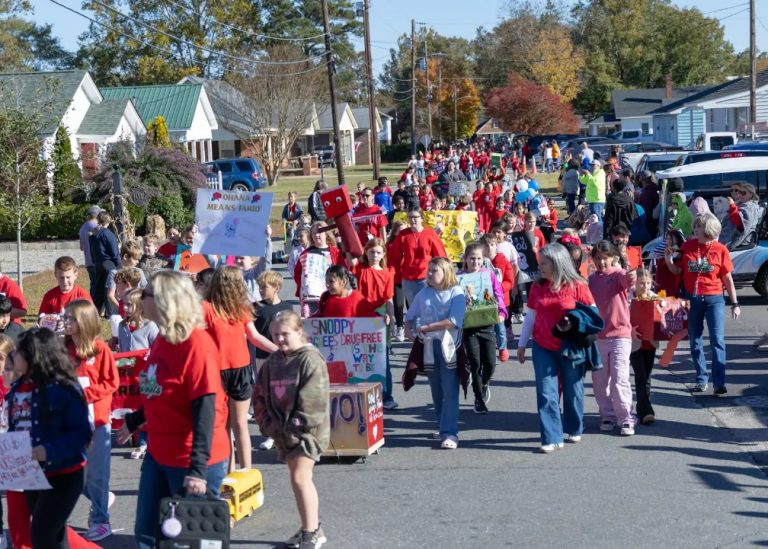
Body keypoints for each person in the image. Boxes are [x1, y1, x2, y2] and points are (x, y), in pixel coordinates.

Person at [117, 271, 231, 549]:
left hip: (190, 458)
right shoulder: (163, 339)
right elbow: (160, 392)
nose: (140, 298)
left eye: (146, 294)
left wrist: (198, 469)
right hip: (159, 453)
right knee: (146, 531)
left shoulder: (196, 345)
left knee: (190, 541)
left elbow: (205, 411)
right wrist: (135, 420)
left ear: (164, 301)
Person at [6, 328, 92, 549]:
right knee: (55, 537)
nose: (13, 355)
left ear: (34, 356)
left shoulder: (63, 389)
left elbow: (82, 434)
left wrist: (49, 450)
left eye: (19, 351)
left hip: (65, 474)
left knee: (41, 536)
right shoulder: (17, 387)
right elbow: (16, 428)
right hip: (32, 475)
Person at [253, 311, 330, 549]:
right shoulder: (273, 362)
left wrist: (292, 430)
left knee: (300, 477)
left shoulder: (310, 360)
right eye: (275, 334)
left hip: (307, 433)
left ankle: (311, 532)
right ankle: (310, 524)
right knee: (298, 480)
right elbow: (259, 396)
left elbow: (313, 402)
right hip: (281, 433)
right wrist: (267, 425)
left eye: (285, 334)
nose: (279, 339)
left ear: (299, 332)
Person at [516, 244, 596, 453]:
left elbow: (593, 313)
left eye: (544, 263)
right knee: (546, 391)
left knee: (573, 390)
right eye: (540, 262)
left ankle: (574, 426)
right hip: (542, 345)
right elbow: (531, 315)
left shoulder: (577, 285)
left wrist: (575, 320)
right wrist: (522, 344)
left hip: (570, 346)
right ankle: (551, 436)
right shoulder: (537, 286)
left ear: (557, 263)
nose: (539, 266)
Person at [203, 266, 278, 472]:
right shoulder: (206, 308)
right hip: (216, 372)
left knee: (239, 424)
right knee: (224, 426)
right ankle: (229, 472)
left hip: (240, 370)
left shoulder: (241, 308)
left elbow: (255, 337)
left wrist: (280, 350)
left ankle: (246, 472)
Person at [665, 213, 740, 394]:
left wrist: (735, 303)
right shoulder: (687, 246)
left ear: (708, 229)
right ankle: (701, 378)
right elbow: (677, 271)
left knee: (717, 340)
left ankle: (719, 383)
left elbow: (727, 278)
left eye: (699, 226)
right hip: (692, 299)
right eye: (695, 226)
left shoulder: (721, 249)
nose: (695, 229)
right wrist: (668, 260)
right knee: (695, 339)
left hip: (714, 299)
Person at [63, 300, 119, 541]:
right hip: (70, 423)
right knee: (72, 473)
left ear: (84, 321)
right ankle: (101, 498)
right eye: (65, 317)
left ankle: (101, 519)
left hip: (97, 423)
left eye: (70, 318)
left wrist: (84, 393)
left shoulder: (100, 349)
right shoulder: (64, 349)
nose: (65, 322)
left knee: (97, 475)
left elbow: (111, 382)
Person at [404, 257, 466, 449]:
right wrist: (408, 330)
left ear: (446, 273)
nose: (429, 274)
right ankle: (441, 426)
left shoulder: (456, 292)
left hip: (450, 348)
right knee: (436, 390)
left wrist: (427, 327)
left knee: (450, 390)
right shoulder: (424, 293)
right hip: (429, 348)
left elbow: (454, 321)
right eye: (428, 270)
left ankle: (450, 432)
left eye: (434, 271)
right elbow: (409, 316)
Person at [588, 241, 637, 436]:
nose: (602, 262)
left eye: (605, 258)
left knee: (619, 378)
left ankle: (625, 418)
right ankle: (607, 415)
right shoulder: (591, 280)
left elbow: (629, 279)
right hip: (599, 337)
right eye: (598, 258)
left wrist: (630, 272)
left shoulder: (617, 274)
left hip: (620, 336)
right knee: (600, 381)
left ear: (612, 258)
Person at [459, 241, 507, 414]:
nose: (476, 262)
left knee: (491, 364)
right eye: (472, 258)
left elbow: (498, 294)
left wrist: (501, 312)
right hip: (469, 326)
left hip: (487, 323)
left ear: (484, 259)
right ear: (466, 259)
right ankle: (478, 399)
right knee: (475, 362)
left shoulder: (489, 275)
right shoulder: (459, 278)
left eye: (479, 258)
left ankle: (484, 383)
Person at [351, 238, 398, 409]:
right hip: (361, 316)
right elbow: (351, 259)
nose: (375, 255)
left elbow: (389, 299)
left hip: (380, 317)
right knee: (362, 358)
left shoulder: (387, 273)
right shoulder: (360, 268)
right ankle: (362, 396)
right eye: (371, 252)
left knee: (382, 359)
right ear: (366, 252)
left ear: (383, 254)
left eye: (378, 252)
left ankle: (387, 396)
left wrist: (392, 317)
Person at [252, 271, 295, 451]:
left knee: (284, 396)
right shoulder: (256, 307)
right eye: (260, 287)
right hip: (262, 358)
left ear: (276, 288)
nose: (261, 290)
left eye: (265, 287)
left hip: (283, 357)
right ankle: (272, 434)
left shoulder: (287, 307)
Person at [388, 208, 447, 306]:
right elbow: (394, 258)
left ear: (422, 218)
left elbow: (440, 256)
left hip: (427, 277)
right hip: (408, 279)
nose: (412, 220)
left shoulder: (430, 233)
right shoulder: (403, 235)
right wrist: (393, 275)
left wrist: (442, 274)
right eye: (410, 217)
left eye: (415, 217)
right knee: (414, 309)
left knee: (428, 307)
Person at [293, 222, 345, 317]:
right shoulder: (305, 253)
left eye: (320, 232)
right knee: (311, 323)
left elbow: (343, 272)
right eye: (314, 233)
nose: (316, 235)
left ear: (326, 234)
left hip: (331, 296)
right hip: (310, 299)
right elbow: (297, 274)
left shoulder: (335, 252)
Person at [629, 268, 658, 425]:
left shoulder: (655, 298)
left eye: (647, 283)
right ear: (635, 283)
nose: (645, 286)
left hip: (650, 344)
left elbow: (662, 320)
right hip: (635, 344)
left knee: (647, 377)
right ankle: (646, 411)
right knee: (640, 375)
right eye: (641, 283)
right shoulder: (629, 299)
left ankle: (642, 407)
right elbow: (623, 318)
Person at [38, 256, 92, 327]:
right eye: (61, 278)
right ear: (56, 275)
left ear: (75, 275)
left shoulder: (82, 295)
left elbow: (90, 318)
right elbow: (42, 320)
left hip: (78, 330)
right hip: (56, 331)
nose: (65, 281)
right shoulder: (49, 296)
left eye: (68, 277)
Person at [89, 212, 121, 315]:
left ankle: (95, 311)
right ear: (109, 221)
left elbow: (92, 251)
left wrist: (95, 261)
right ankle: (109, 312)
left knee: (98, 288)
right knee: (109, 288)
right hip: (108, 263)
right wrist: (119, 265)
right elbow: (114, 251)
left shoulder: (94, 234)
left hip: (98, 263)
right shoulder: (108, 234)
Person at [106, 241, 147, 316]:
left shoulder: (139, 272)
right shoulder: (114, 273)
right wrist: (122, 309)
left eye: (138, 259)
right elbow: (110, 295)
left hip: (136, 313)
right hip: (119, 314)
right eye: (135, 259)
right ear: (125, 256)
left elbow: (145, 291)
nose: (138, 262)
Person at [720, 183, 764, 250]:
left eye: (743, 193)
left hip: (737, 240)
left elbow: (740, 224)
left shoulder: (749, 206)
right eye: (739, 192)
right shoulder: (742, 204)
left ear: (751, 194)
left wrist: (732, 206)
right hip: (734, 237)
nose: (740, 195)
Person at [79, 205, 101, 297]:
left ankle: (92, 302)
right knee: (100, 287)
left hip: (88, 262)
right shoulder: (96, 227)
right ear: (97, 215)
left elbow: (81, 247)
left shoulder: (83, 227)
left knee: (93, 285)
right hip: (97, 261)